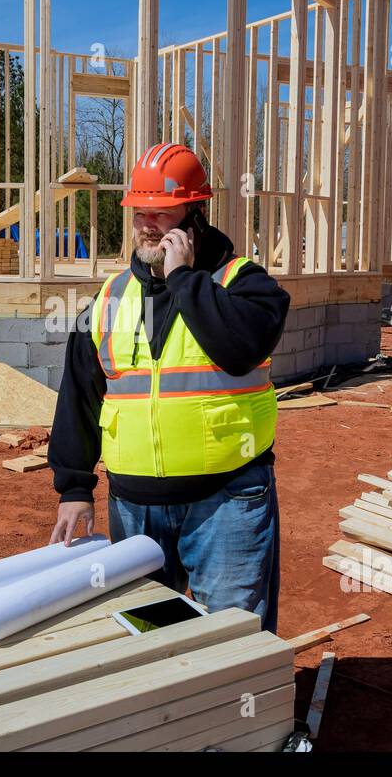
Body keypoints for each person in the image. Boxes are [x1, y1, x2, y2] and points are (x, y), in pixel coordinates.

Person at [47, 142, 290, 633]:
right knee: (147, 639)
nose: (147, 224)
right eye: (140, 212)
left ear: (194, 216)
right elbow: (80, 395)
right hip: (133, 507)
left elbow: (237, 348)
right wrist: (74, 486)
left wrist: (182, 278)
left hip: (227, 502)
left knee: (233, 638)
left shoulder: (244, 284)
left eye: (162, 212)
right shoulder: (112, 297)